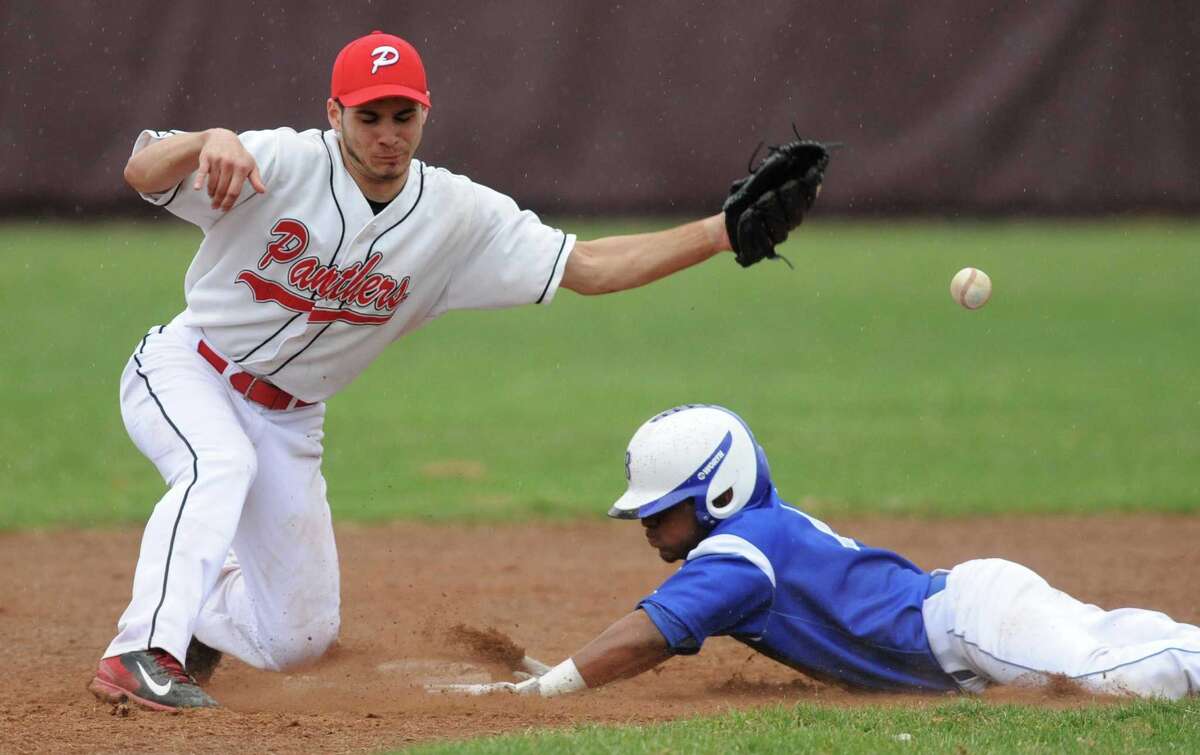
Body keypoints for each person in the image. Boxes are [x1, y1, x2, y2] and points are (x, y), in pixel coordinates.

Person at [87, 31, 817, 712]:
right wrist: (209, 139)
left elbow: (588, 267)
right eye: (369, 116)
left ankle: (203, 617)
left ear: (425, 114)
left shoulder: (455, 217)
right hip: (190, 368)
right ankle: (137, 652)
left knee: (296, 639)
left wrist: (718, 234)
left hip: (292, 415)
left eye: (403, 115)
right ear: (334, 112)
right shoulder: (275, 161)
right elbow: (139, 170)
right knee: (219, 461)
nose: (387, 134)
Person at [437, 404, 1200, 700]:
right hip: (974, 610)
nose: (646, 522)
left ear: (716, 494)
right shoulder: (746, 545)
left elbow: (652, 631)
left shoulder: (743, 550)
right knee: (1126, 639)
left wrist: (546, 690)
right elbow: (655, 635)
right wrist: (571, 666)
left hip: (970, 624)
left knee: (1119, 676)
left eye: (661, 507)